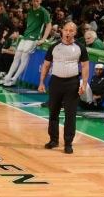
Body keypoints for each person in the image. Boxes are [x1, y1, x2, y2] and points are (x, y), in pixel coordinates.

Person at [39, 21, 90, 154]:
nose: (68, 33)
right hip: (56, 82)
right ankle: (53, 140)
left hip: (72, 83)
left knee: (70, 114)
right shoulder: (54, 46)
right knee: (53, 112)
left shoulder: (80, 47)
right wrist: (41, 82)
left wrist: (84, 84)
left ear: (75, 33)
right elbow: (46, 65)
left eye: (71, 30)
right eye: (66, 30)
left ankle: (68, 143)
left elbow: (85, 66)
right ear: (62, 31)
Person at [1, 0, 52, 87]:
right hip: (25, 36)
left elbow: (49, 25)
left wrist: (43, 39)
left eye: (37, 1)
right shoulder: (30, 10)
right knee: (16, 57)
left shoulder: (43, 11)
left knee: (24, 57)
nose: (35, 2)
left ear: (40, 1)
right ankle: (7, 78)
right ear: (32, 1)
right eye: (34, 1)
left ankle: (14, 79)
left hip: (34, 38)